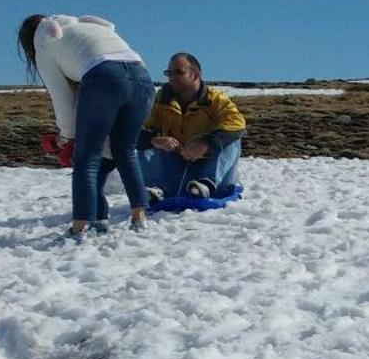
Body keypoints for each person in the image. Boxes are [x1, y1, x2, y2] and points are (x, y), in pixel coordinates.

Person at [17, 14, 153, 236]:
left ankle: (80, 227)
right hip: (143, 78)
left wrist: (68, 135)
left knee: (86, 157)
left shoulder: (45, 40)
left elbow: (61, 97)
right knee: (126, 151)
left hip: (104, 78)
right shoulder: (85, 26)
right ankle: (139, 217)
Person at [135, 52, 246, 199]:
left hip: (214, 174)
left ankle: (206, 185)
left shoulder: (215, 100)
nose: (171, 77)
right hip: (176, 174)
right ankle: (155, 189)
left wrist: (206, 142)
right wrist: (154, 140)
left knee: (232, 139)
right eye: (168, 73)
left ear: (195, 75)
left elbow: (237, 124)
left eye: (178, 72)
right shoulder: (159, 101)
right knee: (146, 143)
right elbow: (134, 131)